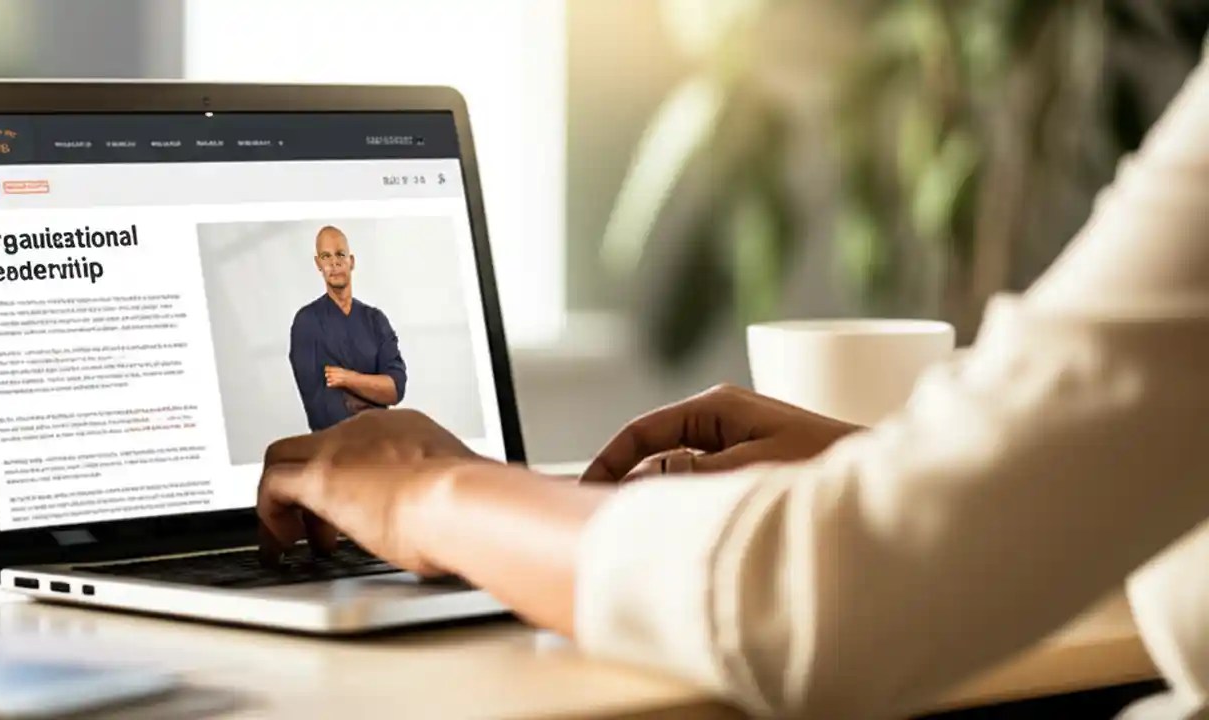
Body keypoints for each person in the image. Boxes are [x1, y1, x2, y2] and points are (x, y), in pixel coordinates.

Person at [257, 54, 1209, 719]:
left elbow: (826, 603)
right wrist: (887, 470)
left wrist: (431, 495)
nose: (339, 264)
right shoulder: (307, 326)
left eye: (347, 251)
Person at [288, 225, 407, 432]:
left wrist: (347, 378)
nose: (334, 262)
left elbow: (396, 389)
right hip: (337, 445)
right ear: (318, 263)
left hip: (382, 436)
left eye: (340, 254)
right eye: (326, 256)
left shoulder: (376, 320)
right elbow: (319, 405)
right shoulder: (307, 322)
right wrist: (373, 390)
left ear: (351, 261)